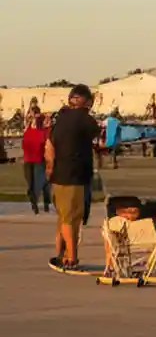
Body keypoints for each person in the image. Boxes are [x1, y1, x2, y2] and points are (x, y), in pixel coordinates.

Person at [45, 85, 99, 268]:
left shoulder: (60, 119)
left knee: (63, 217)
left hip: (59, 175)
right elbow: (98, 136)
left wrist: (50, 169)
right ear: (87, 101)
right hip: (75, 175)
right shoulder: (85, 119)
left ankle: (61, 254)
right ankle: (72, 257)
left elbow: (49, 146)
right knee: (72, 218)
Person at [22, 114, 51, 214]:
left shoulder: (44, 132)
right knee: (30, 184)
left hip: (39, 161)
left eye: (35, 120)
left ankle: (45, 203)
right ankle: (34, 203)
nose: (33, 121)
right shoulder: (27, 131)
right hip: (28, 161)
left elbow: (48, 147)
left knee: (40, 184)